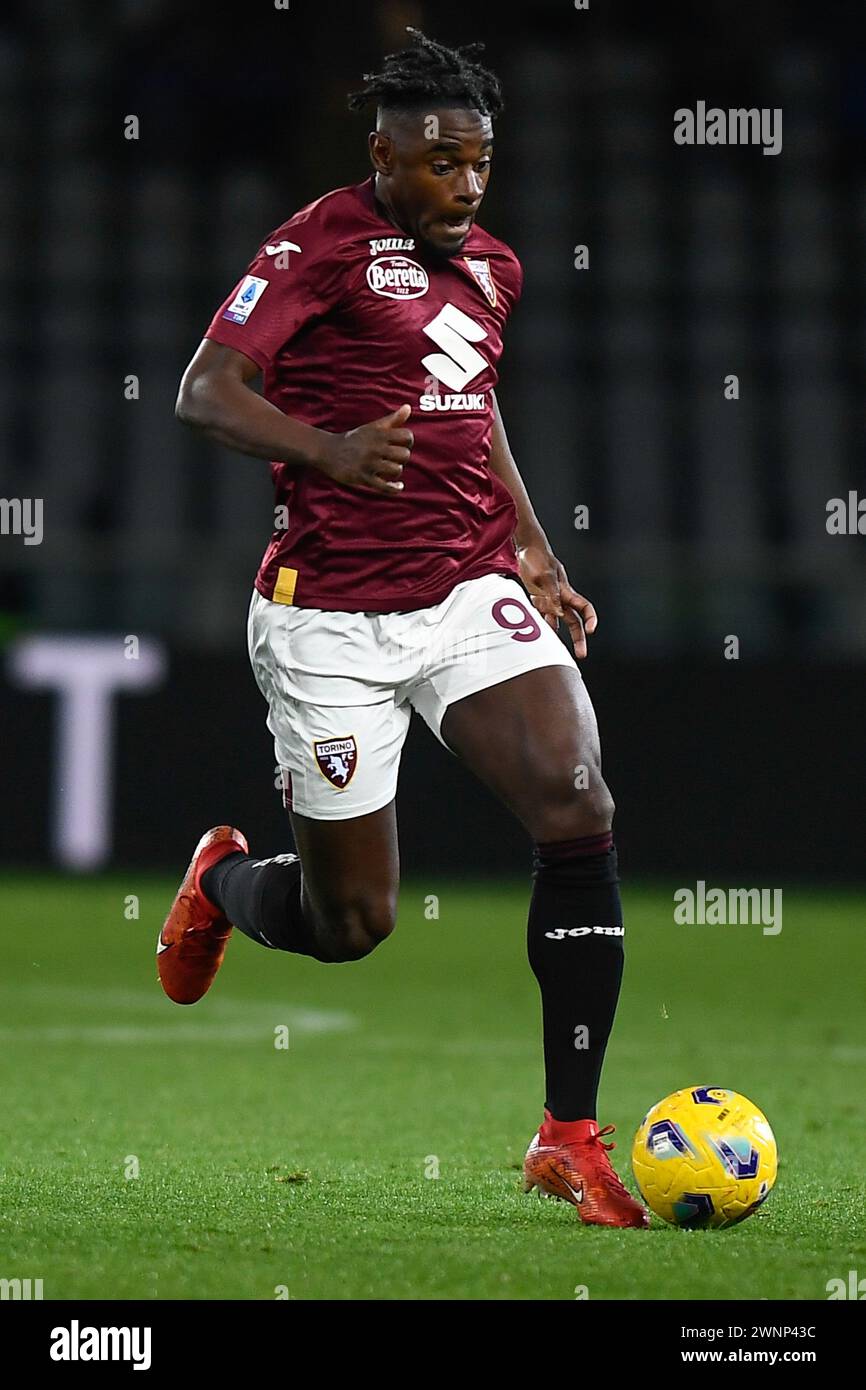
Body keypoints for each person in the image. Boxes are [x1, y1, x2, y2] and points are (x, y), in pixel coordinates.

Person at [157, 27, 648, 1229]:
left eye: (479, 161)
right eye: (438, 162)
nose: (464, 184)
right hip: (326, 615)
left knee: (575, 801)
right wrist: (325, 449)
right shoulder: (313, 244)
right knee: (351, 925)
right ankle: (225, 883)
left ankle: (566, 1134)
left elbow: (470, 406)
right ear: (382, 155)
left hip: (463, 586)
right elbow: (204, 393)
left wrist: (530, 548)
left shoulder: (493, 269)